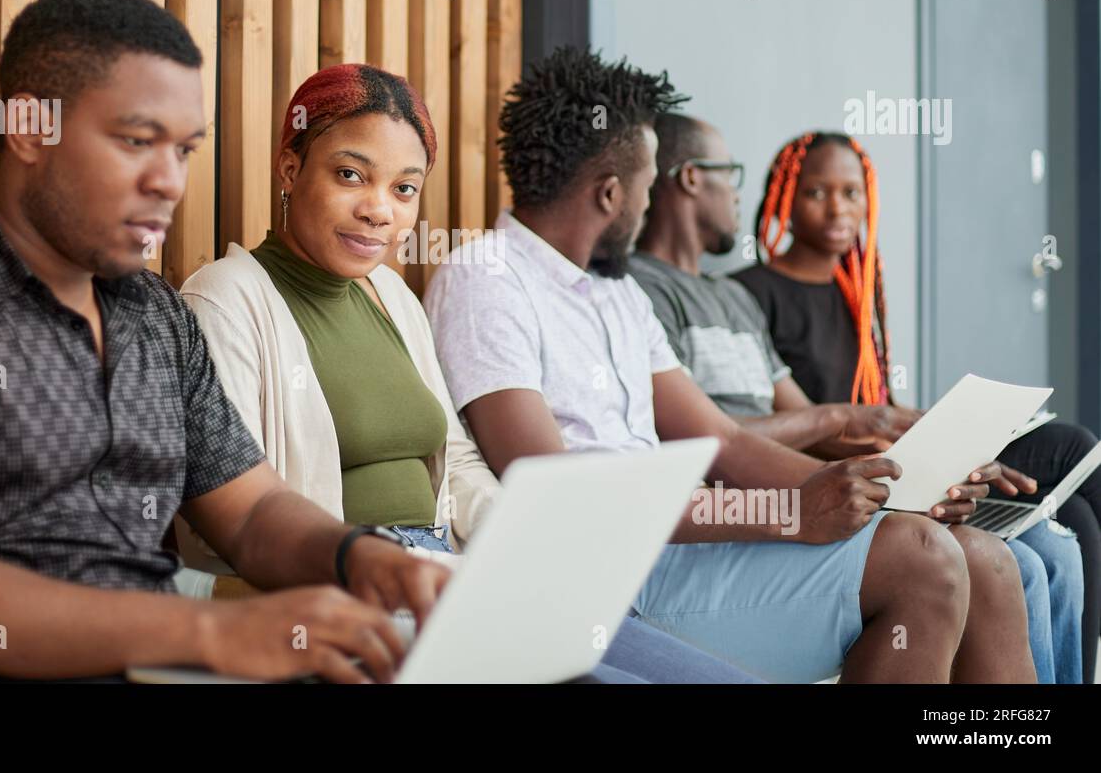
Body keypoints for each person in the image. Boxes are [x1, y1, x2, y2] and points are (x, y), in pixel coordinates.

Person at [0, 0, 449, 684]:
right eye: (139, 142)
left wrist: (361, 556)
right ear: (30, 128)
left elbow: (254, 510)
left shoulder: (154, 315)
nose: (169, 182)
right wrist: (207, 630)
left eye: (183, 151)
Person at [425, 46, 1037, 683]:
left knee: (980, 555)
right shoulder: (486, 280)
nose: (647, 205)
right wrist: (786, 511)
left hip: (677, 550)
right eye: (646, 184)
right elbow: (555, 494)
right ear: (611, 193)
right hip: (608, 581)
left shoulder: (616, 292)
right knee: (923, 558)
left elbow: (722, 438)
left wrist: (892, 490)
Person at [177, 62, 758, 682]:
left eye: (404, 189)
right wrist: (378, 565)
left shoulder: (391, 298)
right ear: (291, 169)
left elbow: (455, 463)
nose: (379, 210)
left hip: (452, 575)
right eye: (351, 175)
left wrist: (519, 547)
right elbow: (239, 516)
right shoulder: (226, 300)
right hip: (349, 596)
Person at [732, 129, 1094, 683]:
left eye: (852, 193)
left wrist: (940, 430)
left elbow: (878, 400)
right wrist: (890, 440)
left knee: (1072, 512)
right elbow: (804, 423)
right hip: (866, 467)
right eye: (817, 192)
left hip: (897, 447)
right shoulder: (750, 292)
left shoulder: (859, 289)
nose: (838, 208)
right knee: (1067, 468)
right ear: (782, 197)